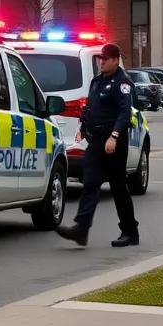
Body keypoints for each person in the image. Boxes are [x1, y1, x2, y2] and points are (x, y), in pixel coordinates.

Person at [56, 42, 139, 248]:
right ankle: (81, 229)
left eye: (105, 59)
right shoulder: (97, 81)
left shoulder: (122, 83)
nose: (101, 62)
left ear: (115, 60)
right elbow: (91, 106)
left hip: (113, 142)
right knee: (91, 182)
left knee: (118, 187)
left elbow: (124, 112)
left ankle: (130, 231)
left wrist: (114, 136)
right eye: (100, 59)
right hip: (96, 141)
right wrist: (82, 126)